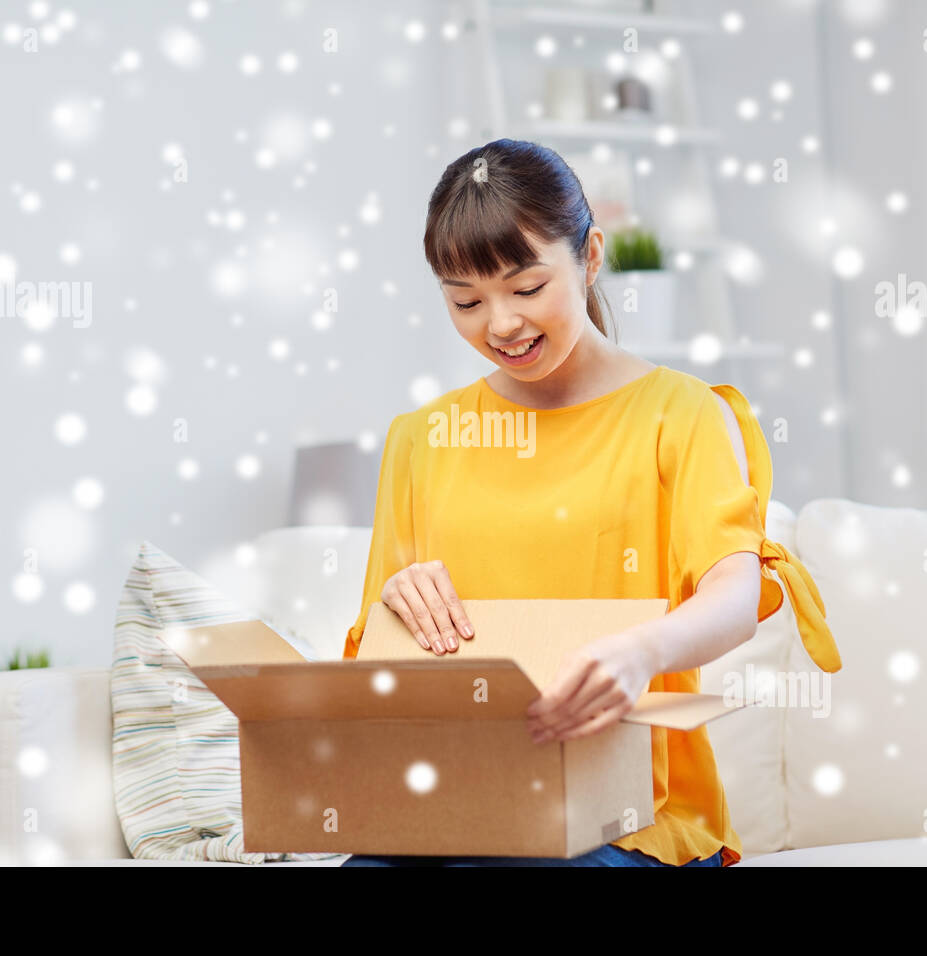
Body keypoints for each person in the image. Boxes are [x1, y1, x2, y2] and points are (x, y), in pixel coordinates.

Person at [340, 138, 841, 867]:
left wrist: (643, 651)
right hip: (459, 801)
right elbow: (374, 666)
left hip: (632, 811)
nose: (501, 324)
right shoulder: (422, 439)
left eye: (527, 286)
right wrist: (397, 598)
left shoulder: (683, 414)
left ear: (591, 257)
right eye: (467, 301)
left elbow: (734, 594)